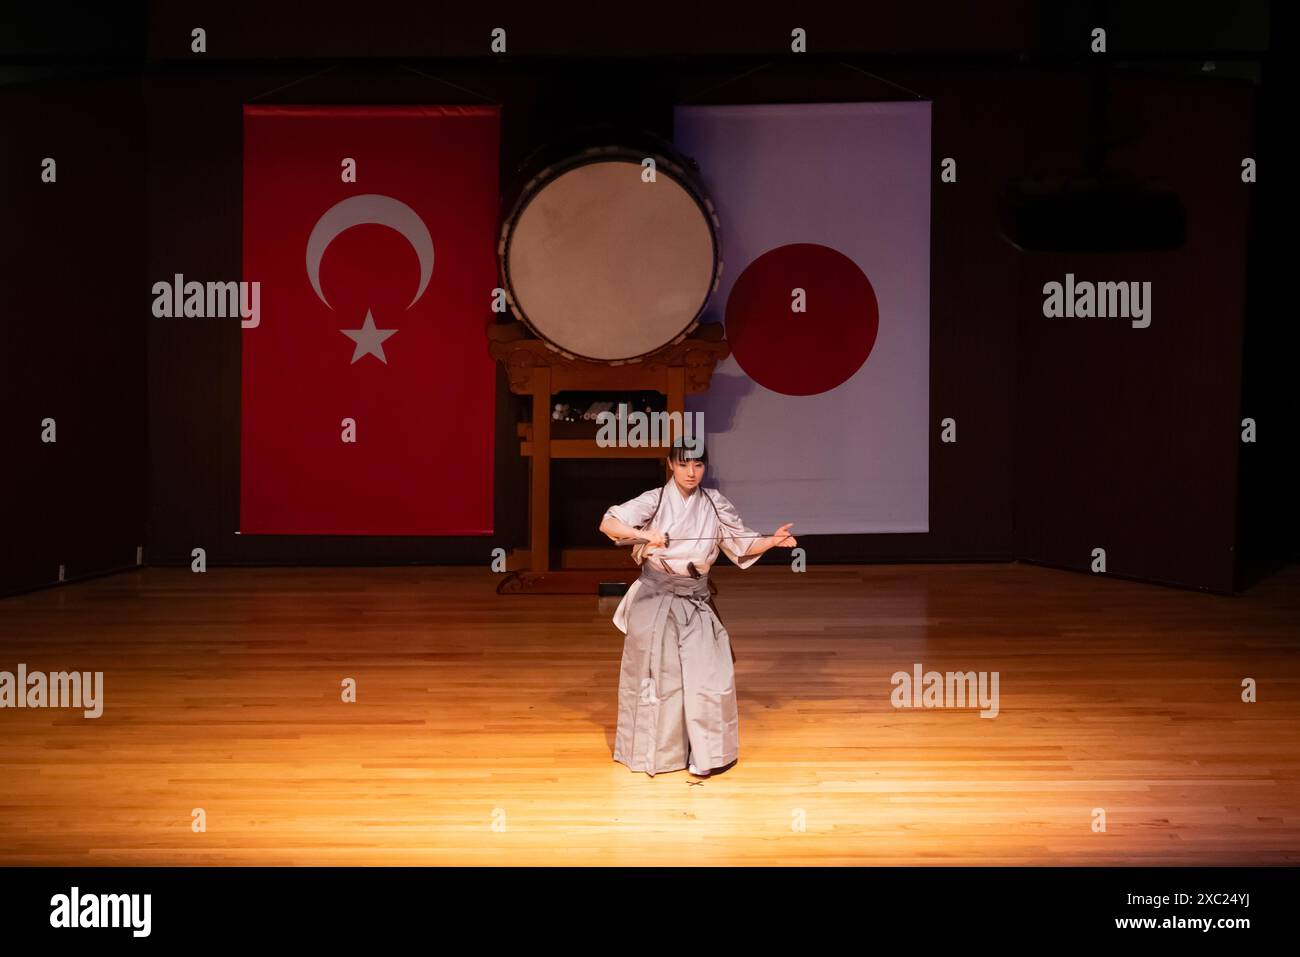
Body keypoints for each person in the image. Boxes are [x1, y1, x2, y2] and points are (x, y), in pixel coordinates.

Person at [598, 441, 796, 778]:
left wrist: (771, 541)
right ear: (670, 465)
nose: (691, 472)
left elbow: (741, 543)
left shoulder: (715, 503)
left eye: (698, 465)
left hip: (695, 597)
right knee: (658, 681)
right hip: (656, 595)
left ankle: (707, 755)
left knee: (710, 676)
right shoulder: (654, 500)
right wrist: (643, 535)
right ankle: (656, 755)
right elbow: (609, 523)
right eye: (684, 464)